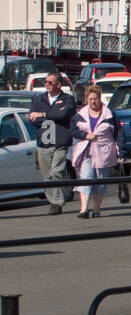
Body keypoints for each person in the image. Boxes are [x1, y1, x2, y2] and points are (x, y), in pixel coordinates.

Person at [28, 72, 76, 214]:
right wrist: (52, 115)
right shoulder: (39, 99)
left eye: (50, 82)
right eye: (45, 82)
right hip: (43, 142)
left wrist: (43, 115)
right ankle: (54, 201)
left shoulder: (67, 99)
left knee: (56, 171)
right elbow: (32, 118)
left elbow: (63, 114)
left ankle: (56, 203)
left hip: (60, 142)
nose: (47, 84)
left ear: (58, 84)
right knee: (47, 175)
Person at [71, 86, 121, 219]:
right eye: (91, 99)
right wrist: (85, 135)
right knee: (85, 178)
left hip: (104, 151)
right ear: (86, 99)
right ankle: (84, 209)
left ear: (100, 99)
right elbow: (73, 131)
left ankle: (97, 209)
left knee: (101, 180)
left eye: (96, 99)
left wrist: (121, 152)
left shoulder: (109, 114)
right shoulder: (79, 115)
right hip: (87, 150)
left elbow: (118, 133)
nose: (93, 102)